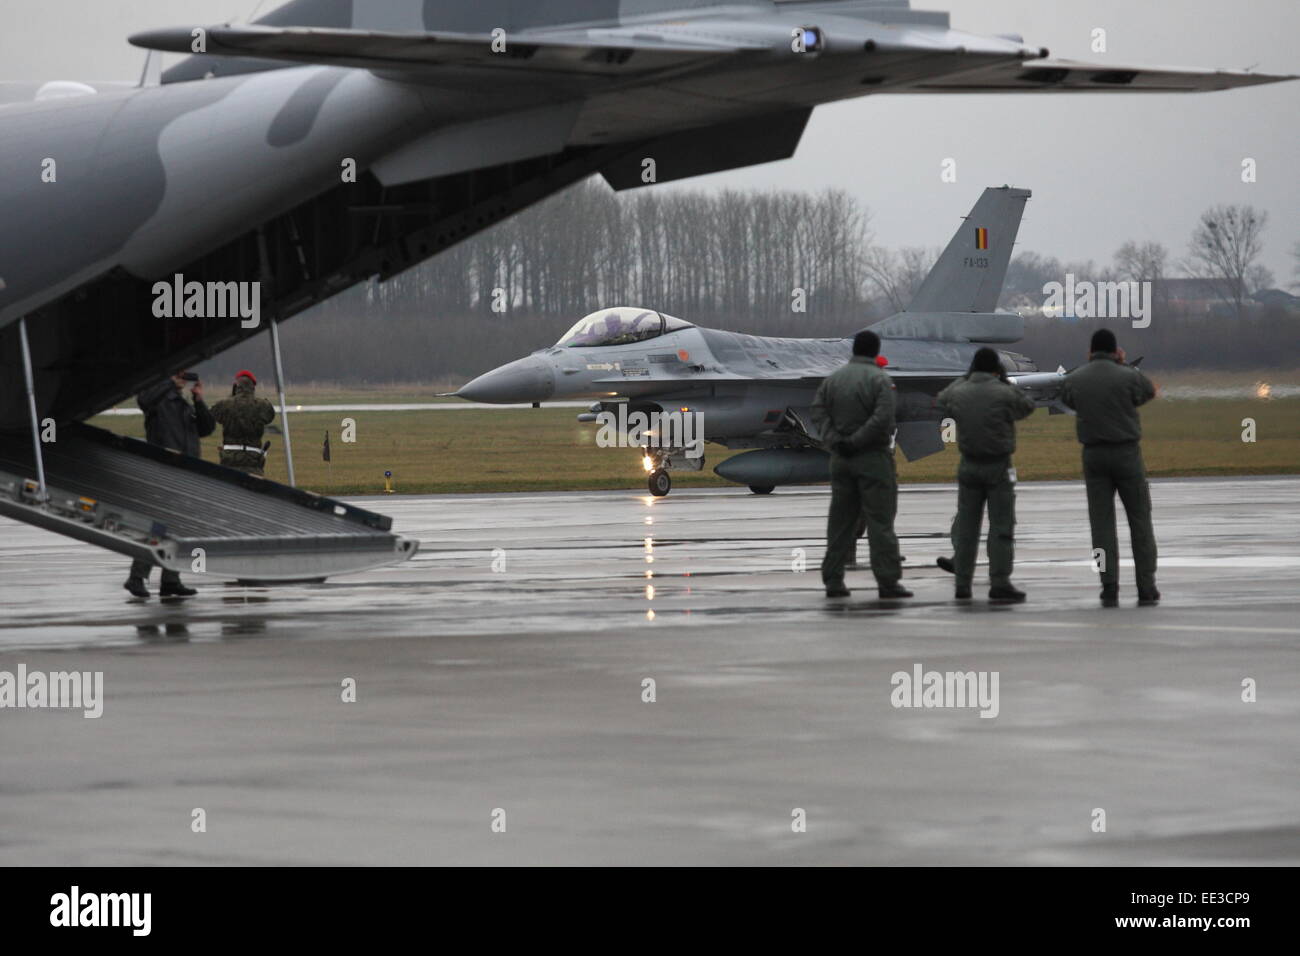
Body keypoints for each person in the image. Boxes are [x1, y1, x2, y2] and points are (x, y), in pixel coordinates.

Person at [1059, 329, 1159, 607]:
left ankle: (1109, 585)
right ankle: (1146, 586)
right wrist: (1122, 366)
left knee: (1101, 525)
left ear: (1090, 352)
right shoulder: (1127, 376)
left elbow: (1067, 400)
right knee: (1140, 521)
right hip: (1127, 454)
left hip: (1094, 456)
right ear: (1116, 351)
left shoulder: (1076, 378)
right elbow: (1148, 391)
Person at [812, 330, 911, 599]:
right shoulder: (880, 380)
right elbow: (884, 420)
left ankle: (833, 580)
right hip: (872, 459)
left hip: (840, 460)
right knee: (880, 521)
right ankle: (888, 583)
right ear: (876, 351)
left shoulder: (833, 379)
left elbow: (818, 413)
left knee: (840, 521)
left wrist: (836, 441)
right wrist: (857, 441)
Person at [935, 348, 1036, 602]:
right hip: (999, 467)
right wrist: (1002, 381)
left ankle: (962, 584)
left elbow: (942, 400)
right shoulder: (1004, 392)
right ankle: (1000, 582)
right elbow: (1026, 406)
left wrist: (965, 379)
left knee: (968, 527)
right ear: (996, 369)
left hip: (968, 466)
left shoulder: (959, 390)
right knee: (1001, 525)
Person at [123, 370, 215, 599]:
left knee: (177, 529)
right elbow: (143, 400)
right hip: (163, 471)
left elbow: (207, 429)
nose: (183, 381)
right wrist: (168, 383)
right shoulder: (158, 400)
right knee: (157, 528)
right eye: (180, 377)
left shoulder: (183, 404)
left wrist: (199, 399)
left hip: (186, 472)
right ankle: (136, 577)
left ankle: (171, 579)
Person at [211, 370, 276, 475]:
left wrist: (232, 397)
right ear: (253, 387)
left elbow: (213, 414)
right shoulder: (262, 405)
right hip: (253, 459)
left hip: (229, 458)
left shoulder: (225, 404)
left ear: (236, 387)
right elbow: (270, 415)